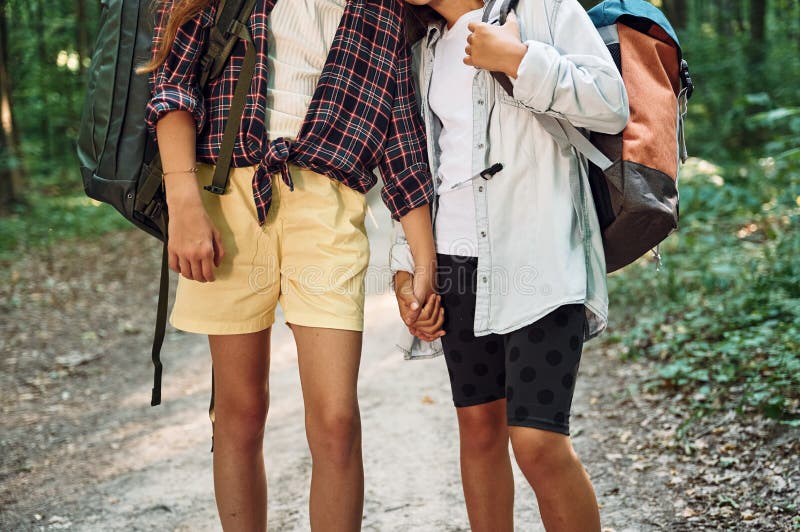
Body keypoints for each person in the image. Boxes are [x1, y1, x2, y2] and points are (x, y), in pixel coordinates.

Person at [139, 1, 437, 530]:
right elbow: (172, 87)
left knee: (336, 419)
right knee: (240, 412)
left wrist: (424, 263)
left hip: (327, 207)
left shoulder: (382, 10)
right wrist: (183, 202)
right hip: (222, 195)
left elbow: (403, 140)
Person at [392, 0, 629, 530]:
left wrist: (520, 59)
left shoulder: (544, 8)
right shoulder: (423, 47)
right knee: (478, 433)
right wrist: (408, 268)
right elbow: (420, 163)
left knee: (538, 443)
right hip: (454, 263)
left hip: (540, 255)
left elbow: (611, 103)